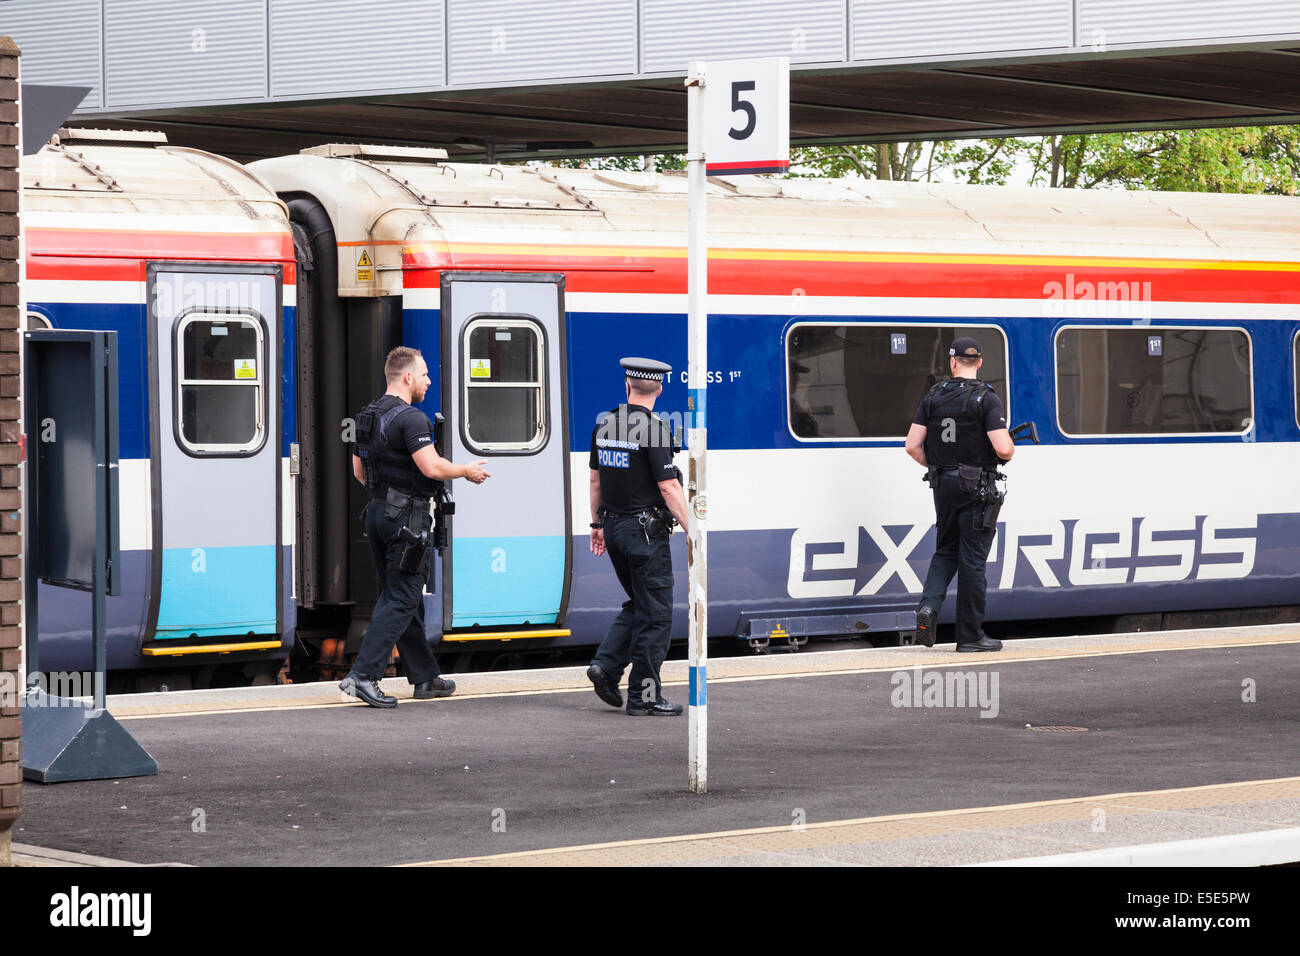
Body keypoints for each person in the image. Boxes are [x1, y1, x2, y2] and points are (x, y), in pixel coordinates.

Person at [339, 346, 490, 708]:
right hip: (406, 519)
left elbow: (360, 472)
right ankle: (364, 675)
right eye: (424, 375)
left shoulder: (366, 416)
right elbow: (432, 467)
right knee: (402, 596)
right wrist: (466, 471)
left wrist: (387, 497)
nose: (428, 381)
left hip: (377, 514)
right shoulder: (411, 419)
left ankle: (425, 678)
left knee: (403, 597)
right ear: (407, 378)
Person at [586, 357, 691, 715]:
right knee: (657, 616)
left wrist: (597, 525)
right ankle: (644, 697)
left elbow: (595, 481)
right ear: (659, 389)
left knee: (641, 604)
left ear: (627, 387)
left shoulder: (604, 425)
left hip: (614, 530)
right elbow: (669, 487)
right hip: (645, 535)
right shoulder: (655, 429)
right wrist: (695, 530)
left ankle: (606, 666)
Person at [904, 337, 1014, 652]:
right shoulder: (986, 399)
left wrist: (938, 465)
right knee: (973, 561)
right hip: (977, 488)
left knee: (946, 551)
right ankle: (970, 636)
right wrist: (1007, 452)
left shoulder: (933, 396)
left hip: (943, 486)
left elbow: (912, 445)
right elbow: (1003, 449)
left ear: (953, 363)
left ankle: (927, 608)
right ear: (978, 362)